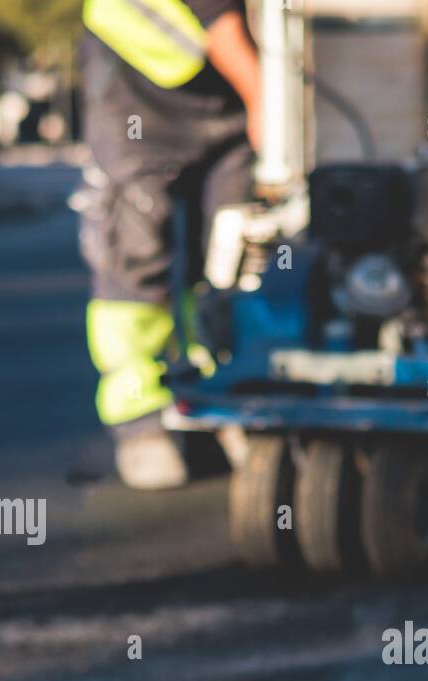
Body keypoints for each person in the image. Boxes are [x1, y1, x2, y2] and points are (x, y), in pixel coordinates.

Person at [77, 1, 261, 488]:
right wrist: (264, 96)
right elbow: (216, 12)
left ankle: (222, 398)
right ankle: (139, 420)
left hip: (228, 86)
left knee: (234, 247)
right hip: (138, 75)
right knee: (138, 248)